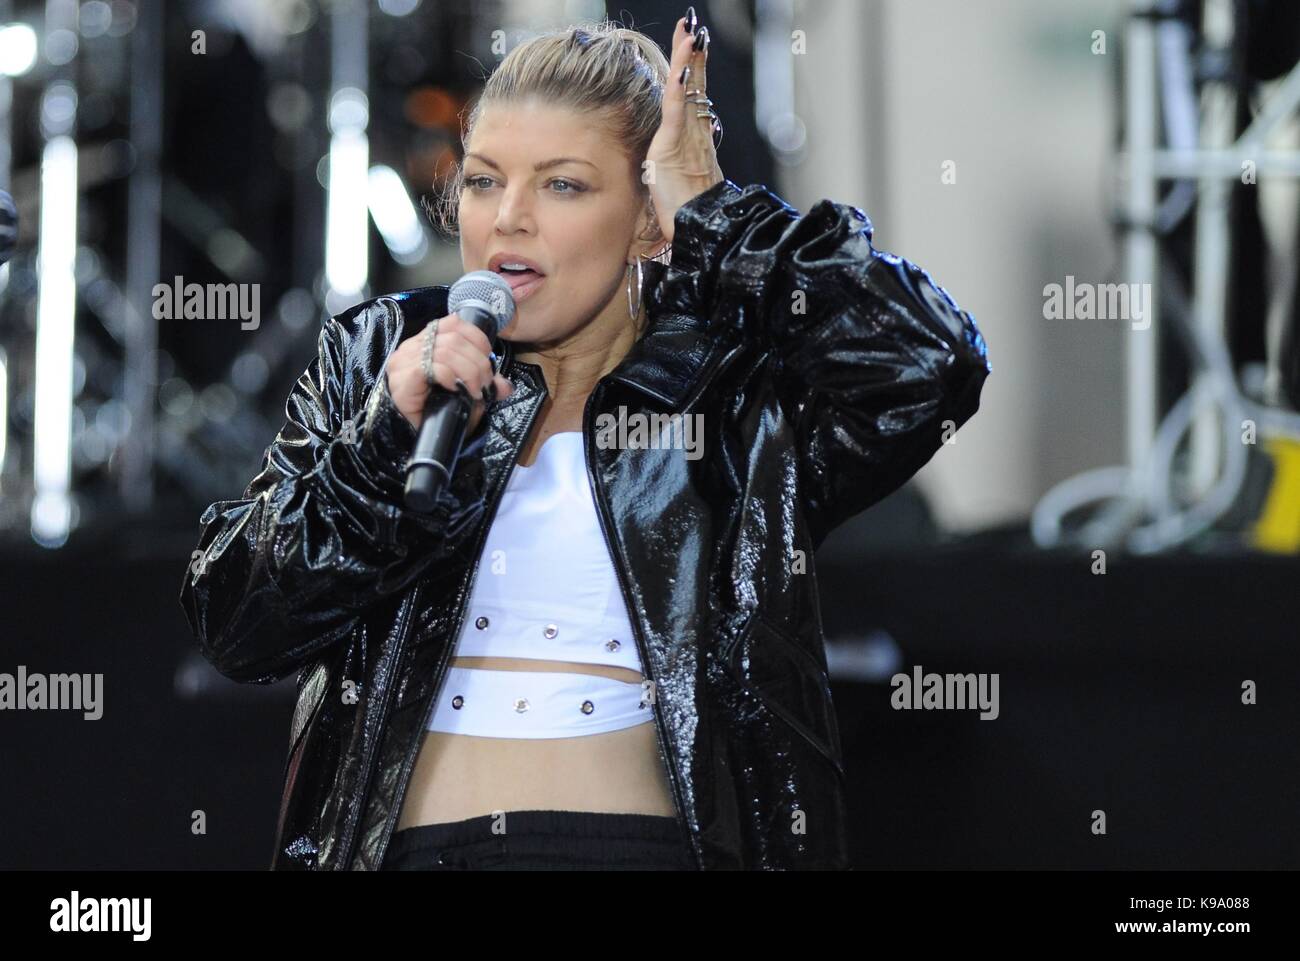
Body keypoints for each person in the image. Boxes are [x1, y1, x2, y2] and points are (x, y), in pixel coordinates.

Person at [180, 11, 991, 871]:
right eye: (485, 181)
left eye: (562, 185)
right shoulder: (381, 357)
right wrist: (383, 444)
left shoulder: (732, 391)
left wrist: (717, 216)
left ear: (649, 220)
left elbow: (928, 360)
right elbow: (237, 622)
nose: (510, 219)